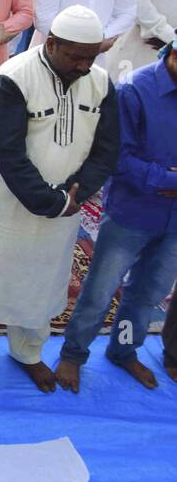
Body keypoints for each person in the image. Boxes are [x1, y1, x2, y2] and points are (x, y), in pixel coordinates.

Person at [0, 6, 119, 394]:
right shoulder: (12, 78)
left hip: (65, 209)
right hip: (2, 208)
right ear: (51, 43)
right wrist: (50, 201)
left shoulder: (100, 82)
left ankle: (28, 353)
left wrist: (74, 196)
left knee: (44, 284)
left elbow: (107, 147)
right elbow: (8, 153)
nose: (85, 65)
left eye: (91, 56)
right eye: (76, 56)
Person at [56, 39, 177, 391]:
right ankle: (73, 355)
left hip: (173, 222)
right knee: (100, 290)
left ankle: (123, 350)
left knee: (148, 292)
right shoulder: (135, 90)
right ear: (172, 55)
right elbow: (118, 159)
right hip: (132, 213)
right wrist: (169, 179)